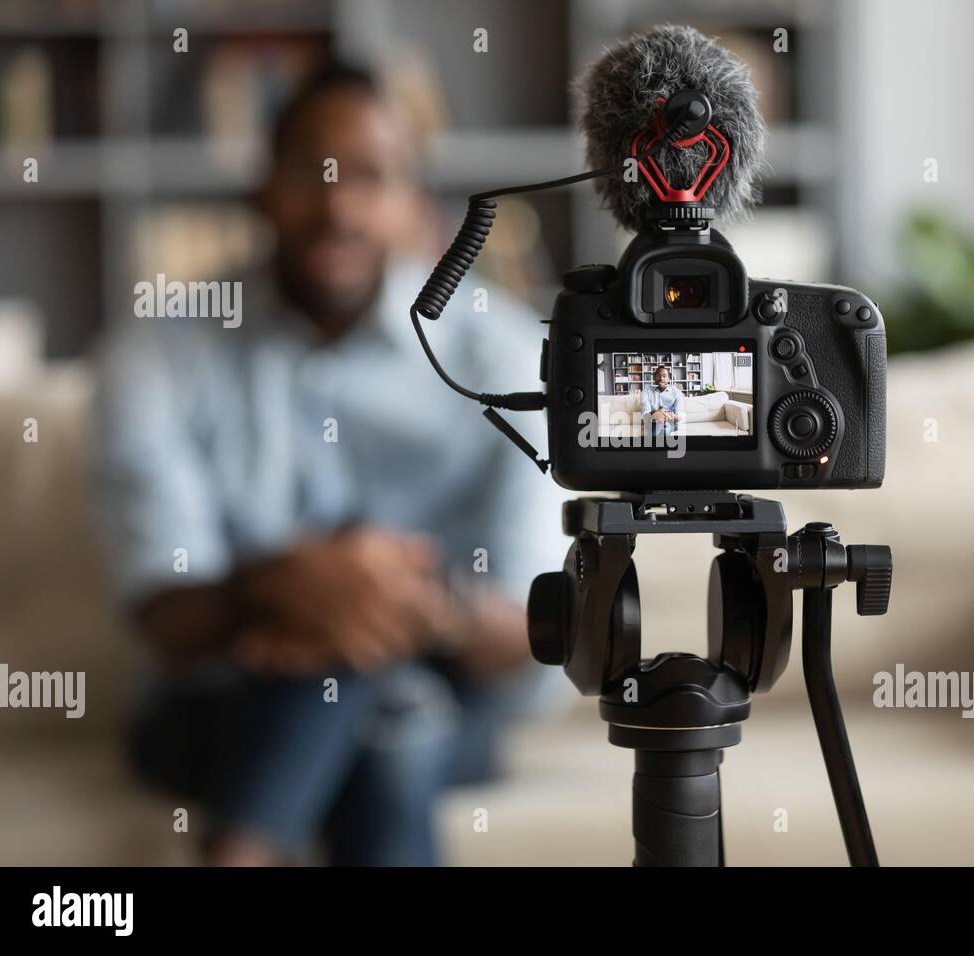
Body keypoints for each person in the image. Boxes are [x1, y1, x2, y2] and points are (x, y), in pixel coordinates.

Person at [91, 61, 564, 866]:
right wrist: (282, 589)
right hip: (217, 698)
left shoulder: (510, 359)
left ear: (418, 204)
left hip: (451, 689)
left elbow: (535, 631)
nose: (339, 206)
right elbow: (164, 618)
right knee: (387, 723)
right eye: (312, 172)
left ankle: (239, 848)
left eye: (371, 177)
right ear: (261, 188)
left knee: (390, 706)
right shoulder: (157, 354)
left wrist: (408, 599)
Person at [641, 365, 681, 442]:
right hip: (653, 422)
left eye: (664, 376)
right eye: (658, 375)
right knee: (657, 419)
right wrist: (657, 412)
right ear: (654, 378)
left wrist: (664, 413)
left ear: (668, 378)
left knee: (664, 423)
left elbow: (679, 416)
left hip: (670, 422)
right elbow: (645, 414)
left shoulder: (676, 392)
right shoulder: (645, 393)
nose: (661, 378)